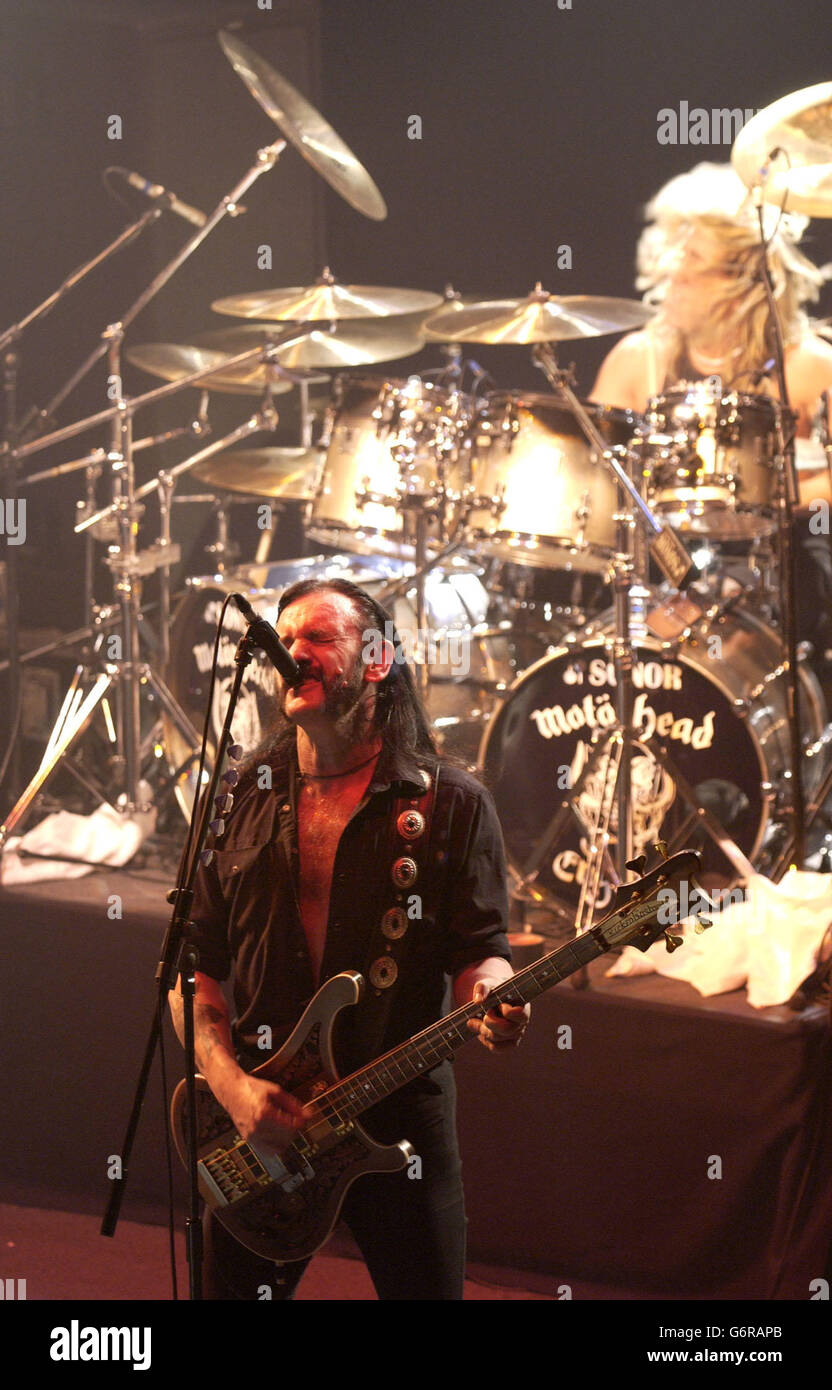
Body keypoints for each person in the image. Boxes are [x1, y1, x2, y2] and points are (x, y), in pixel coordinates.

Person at [168, 576, 529, 1300]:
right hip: (261, 1117)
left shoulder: (451, 802)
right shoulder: (237, 794)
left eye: (318, 638)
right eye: (286, 637)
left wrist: (491, 997)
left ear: (376, 659)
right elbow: (192, 966)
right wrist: (233, 1089)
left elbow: (479, 949)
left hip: (399, 1118)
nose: (293, 651)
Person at [591, 160, 832, 665]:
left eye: (693, 254)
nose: (672, 268)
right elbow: (590, 479)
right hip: (657, 566)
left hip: (784, 570)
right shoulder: (640, 358)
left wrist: (771, 500)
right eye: (673, 248)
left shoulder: (808, 365)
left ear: (743, 277)